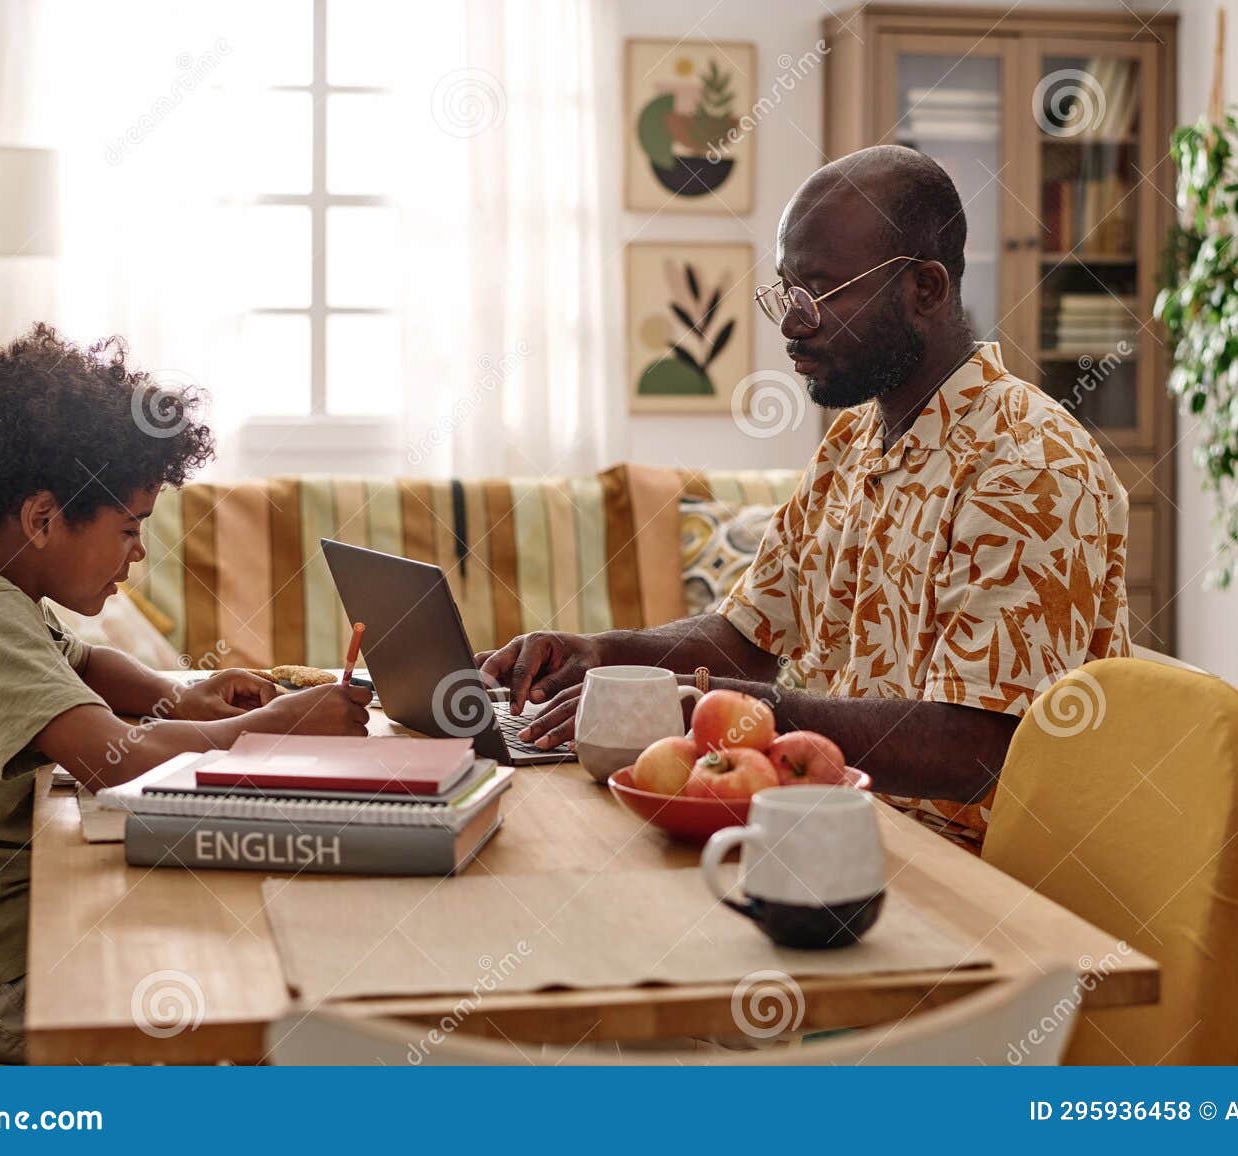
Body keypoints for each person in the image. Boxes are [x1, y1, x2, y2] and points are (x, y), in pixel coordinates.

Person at [482, 145, 1130, 850]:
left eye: (819, 292)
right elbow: (746, 638)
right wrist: (601, 654)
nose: (792, 323)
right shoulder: (854, 440)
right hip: (831, 828)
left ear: (927, 288)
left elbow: (974, 749)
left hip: (969, 870)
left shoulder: (1029, 466)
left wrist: (740, 715)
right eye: (786, 290)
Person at [0, 324, 370, 1063]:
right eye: (129, 529)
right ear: (42, 517)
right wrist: (276, 726)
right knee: (242, 1009)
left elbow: (80, 660)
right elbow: (117, 760)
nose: (140, 552)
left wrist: (176, 695)